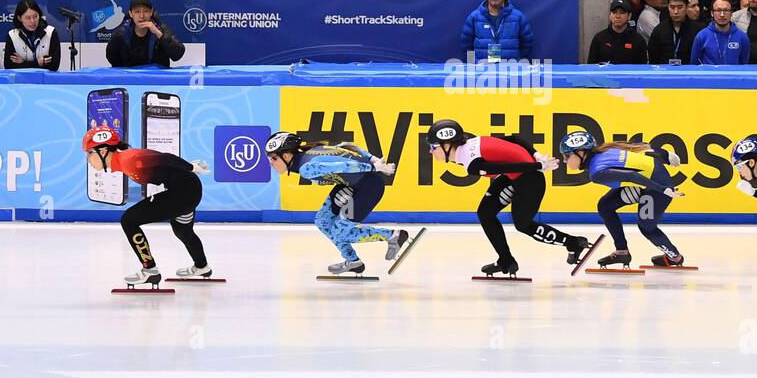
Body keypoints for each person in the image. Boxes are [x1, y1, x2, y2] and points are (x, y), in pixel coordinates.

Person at [427, 119, 590, 277]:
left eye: (433, 147)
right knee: (485, 213)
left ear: (447, 145)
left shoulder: (472, 164)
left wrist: (537, 164)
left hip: (530, 180)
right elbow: (514, 139)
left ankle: (573, 243)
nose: (430, 151)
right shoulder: (471, 142)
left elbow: (505, 166)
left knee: (523, 225)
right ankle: (506, 260)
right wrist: (536, 154)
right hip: (516, 176)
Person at [265, 131, 411, 276]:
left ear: (286, 156)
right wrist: (372, 159)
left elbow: (346, 165)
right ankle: (353, 261)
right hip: (350, 184)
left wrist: (374, 167)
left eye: (273, 158)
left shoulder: (306, 168)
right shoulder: (310, 151)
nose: (271, 163)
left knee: (339, 233)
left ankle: (393, 236)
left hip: (368, 187)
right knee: (323, 221)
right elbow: (348, 146)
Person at [83, 126, 212, 288]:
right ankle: (202, 267)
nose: (88, 159)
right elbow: (162, 161)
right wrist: (188, 168)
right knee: (182, 231)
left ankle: (150, 271)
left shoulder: (128, 160)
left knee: (129, 220)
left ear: (102, 151)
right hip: (188, 189)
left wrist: (191, 167)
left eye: (89, 153)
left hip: (184, 192)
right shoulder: (124, 159)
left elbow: (166, 158)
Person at [559, 131, 687, 269]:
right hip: (646, 184)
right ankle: (622, 252)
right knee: (605, 206)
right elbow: (640, 146)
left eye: (567, 156)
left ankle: (675, 257)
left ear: (581, 152)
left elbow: (632, 176)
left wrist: (662, 189)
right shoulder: (605, 150)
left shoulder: (597, 172)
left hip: (656, 189)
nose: (564, 160)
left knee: (646, 227)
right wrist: (665, 154)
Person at [459, 0, 533, 62]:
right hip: (482, 70)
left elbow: (527, 44)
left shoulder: (518, 17)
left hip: (509, 70)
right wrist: (474, 63)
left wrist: (514, 60)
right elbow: (466, 45)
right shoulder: (474, 17)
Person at [105, 0, 186, 68]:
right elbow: (112, 60)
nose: (141, 16)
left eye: (146, 11)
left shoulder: (161, 29)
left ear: (151, 12)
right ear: (131, 14)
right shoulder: (121, 33)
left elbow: (177, 55)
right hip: (129, 80)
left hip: (156, 79)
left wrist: (159, 35)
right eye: (137, 12)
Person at [3, 0, 60, 71]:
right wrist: (38, 63)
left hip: (45, 80)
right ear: (20, 18)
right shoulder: (12, 35)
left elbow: (54, 65)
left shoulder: (51, 32)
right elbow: (9, 66)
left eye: (35, 16)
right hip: (20, 81)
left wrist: (23, 63)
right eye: (28, 18)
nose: (32, 21)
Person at [692, 0, 751, 66]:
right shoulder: (702, 36)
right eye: (718, 10)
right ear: (712, 13)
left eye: (726, 10)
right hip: (709, 76)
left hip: (734, 76)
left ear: (731, 13)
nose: (722, 15)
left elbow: (744, 65)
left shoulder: (742, 37)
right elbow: (694, 64)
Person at [587, 0, 649, 65]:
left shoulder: (638, 40)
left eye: (622, 12)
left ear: (629, 16)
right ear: (610, 15)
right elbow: (591, 67)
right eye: (614, 12)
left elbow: (642, 69)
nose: (617, 16)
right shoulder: (599, 38)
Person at [648, 0, 699, 65]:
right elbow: (653, 59)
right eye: (672, 7)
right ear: (668, 7)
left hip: (689, 73)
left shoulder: (697, 30)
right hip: (664, 73)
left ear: (686, 7)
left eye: (680, 7)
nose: (675, 12)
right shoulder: (659, 30)